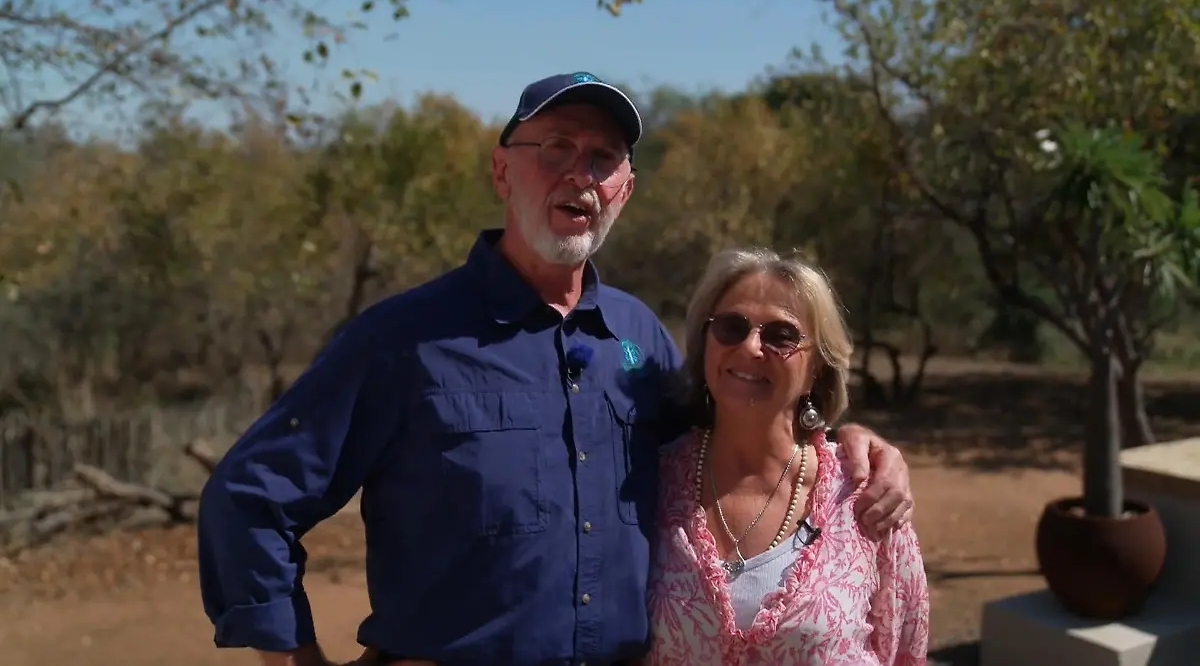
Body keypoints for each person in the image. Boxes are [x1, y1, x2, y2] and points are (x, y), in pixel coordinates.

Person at [196, 72, 917, 666]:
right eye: (556, 148)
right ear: (501, 170)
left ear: (625, 189)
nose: (581, 173)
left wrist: (852, 444)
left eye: (604, 157)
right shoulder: (401, 340)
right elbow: (249, 497)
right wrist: (295, 657)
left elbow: (740, 427)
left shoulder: (637, 336)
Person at [640, 248, 929, 666]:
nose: (750, 347)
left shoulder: (866, 497)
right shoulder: (651, 482)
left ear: (817, 368)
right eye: (731, 327)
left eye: (781, 335)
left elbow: (905, 652)